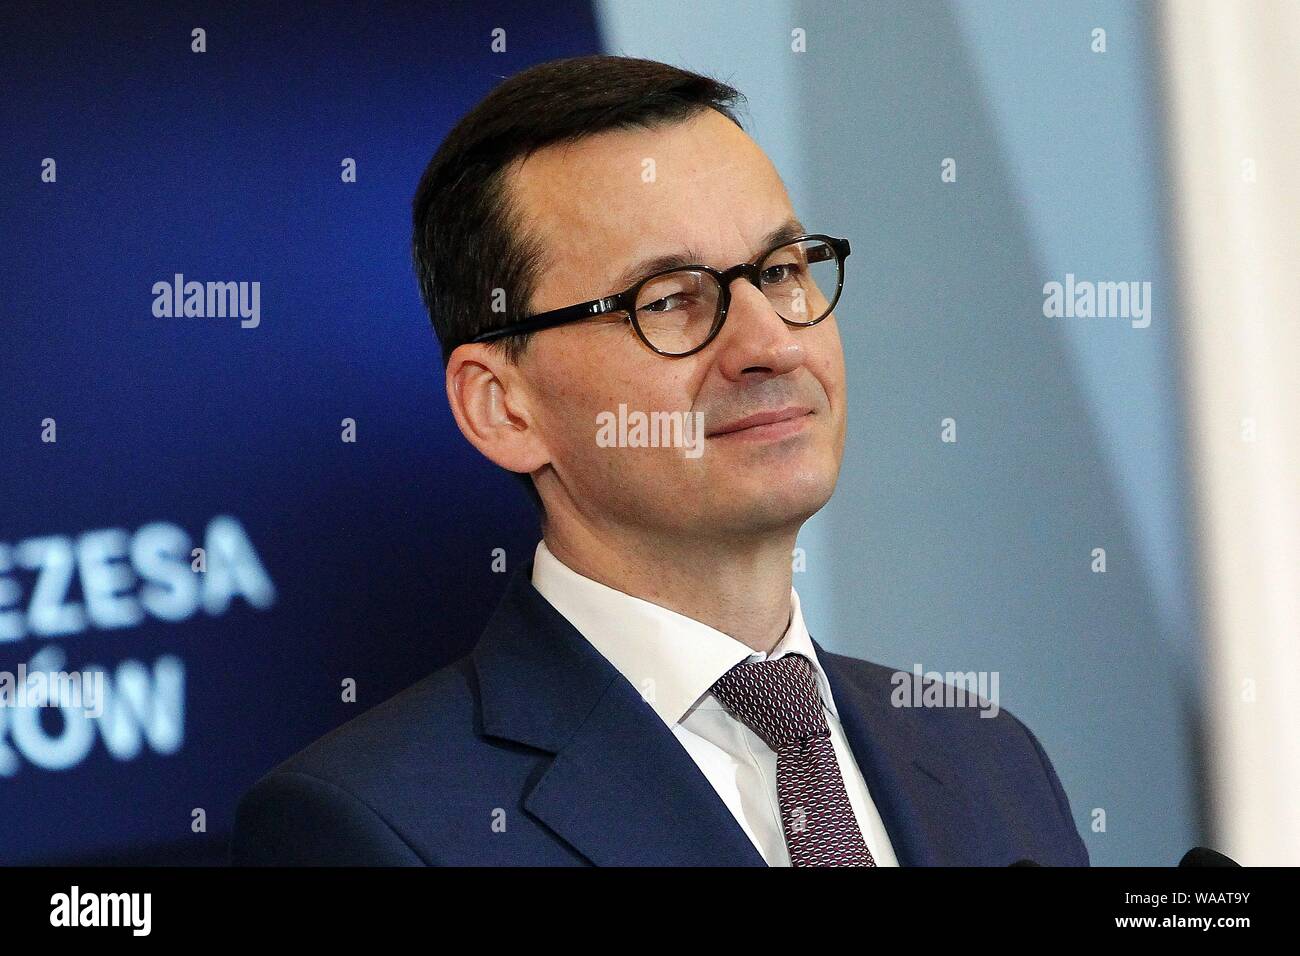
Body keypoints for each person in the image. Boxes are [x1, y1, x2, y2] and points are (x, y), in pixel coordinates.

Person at [230, 54, 1089, 867]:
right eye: (669, 299)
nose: (769, 344)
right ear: (503, 408)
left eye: (782, 270)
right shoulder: (376, 827)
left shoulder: (986, 756)